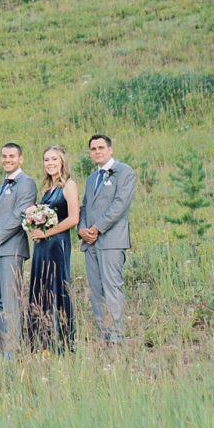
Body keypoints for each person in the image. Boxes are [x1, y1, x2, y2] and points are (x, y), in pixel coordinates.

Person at [78, 134, 135, 347]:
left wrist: (97, 228)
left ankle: (117, 335)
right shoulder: (92, 178)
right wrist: (83, 228)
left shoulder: (124, 172)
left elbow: (120, 205)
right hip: (90, 241)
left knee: (112, 286)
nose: (97, 151)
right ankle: (104, 334)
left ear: (110, 149)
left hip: (111, 239)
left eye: (101, 147)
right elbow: (85, 205)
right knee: (95, 289)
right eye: (93, 149)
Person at [0, 143, 38, 357]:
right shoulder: (1, 186)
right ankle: (9, 340)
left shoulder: (27, 183)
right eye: (4, 156)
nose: (7, 160)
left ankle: (12, 352)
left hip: (12, 248)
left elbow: (18, 216)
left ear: (21, 159)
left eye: (12, 156)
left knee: (10, 300)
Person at [27, 146, 80, 352]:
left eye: (54, 159)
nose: (49, 163)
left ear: (62, 162)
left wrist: (47, 233)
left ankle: (63, 342)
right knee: (41, 288)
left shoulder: (68, 185)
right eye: (46, 159)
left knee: (56, 288)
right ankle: (42, 341)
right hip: (42, 246)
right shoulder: (46, 189)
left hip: (57, 244)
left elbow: (73, 218)